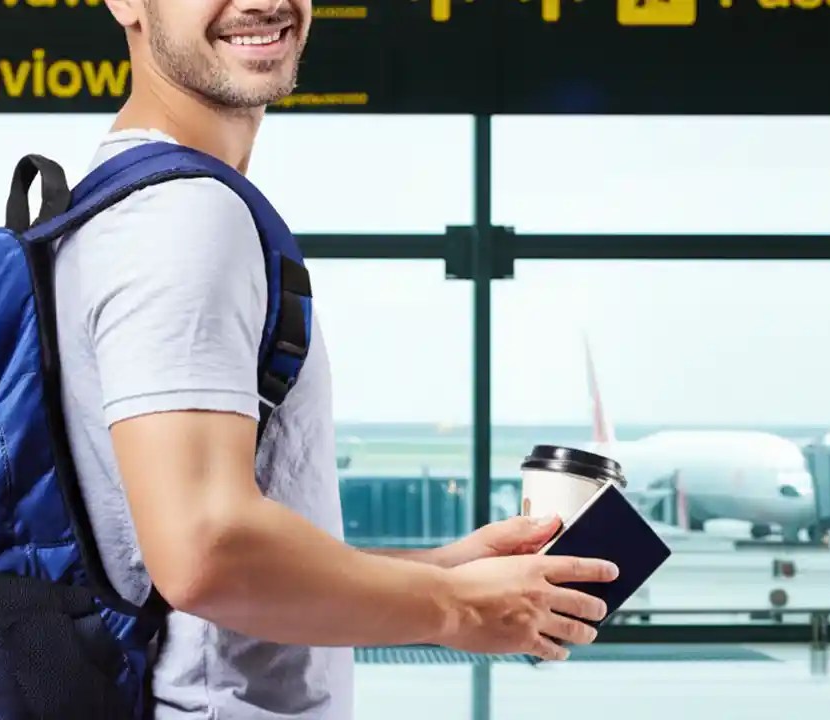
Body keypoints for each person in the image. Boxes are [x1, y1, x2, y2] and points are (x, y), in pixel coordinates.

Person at [51, 0, 620, 717]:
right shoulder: (182, 217)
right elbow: (204, 555)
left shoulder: (117, 200)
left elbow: (165, 560)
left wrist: (440, 570)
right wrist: (455, 607)